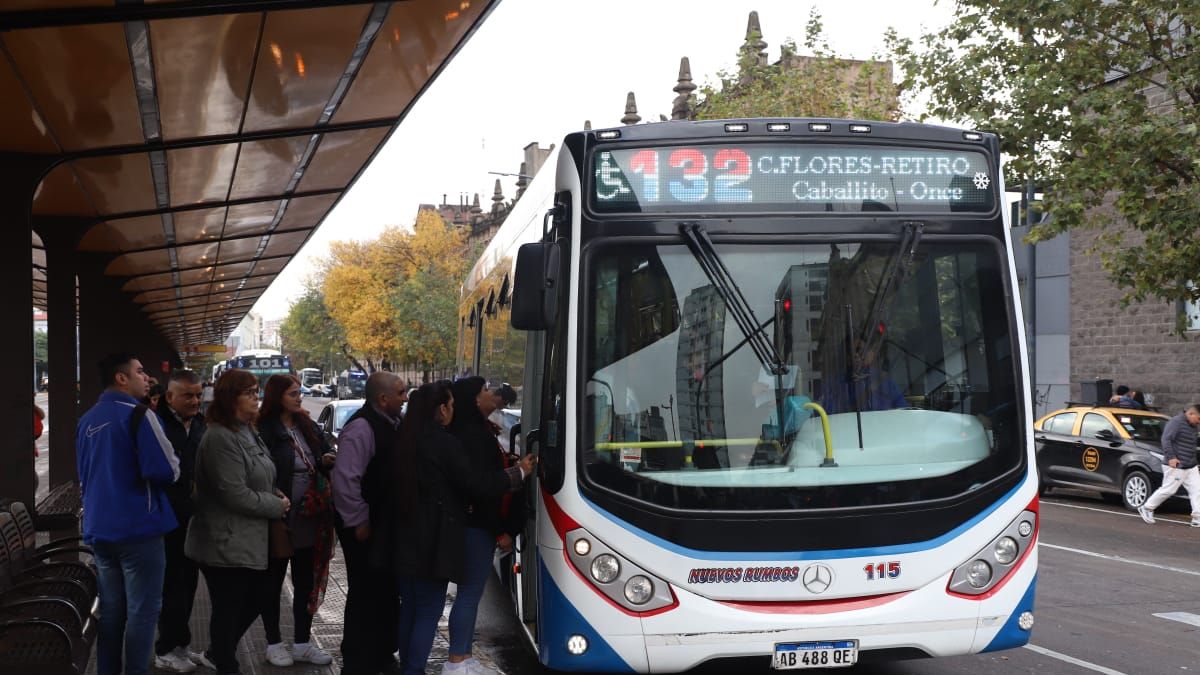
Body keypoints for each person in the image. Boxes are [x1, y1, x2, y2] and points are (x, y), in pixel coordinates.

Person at [387, 381, 535, 675]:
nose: (453, 410)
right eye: (450, 405)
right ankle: (415, 669)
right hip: (434, 537)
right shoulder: (444, 442)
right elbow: (474, 484)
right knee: (429, 610)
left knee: (411, 607)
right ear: (441, 410)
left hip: (403, 535)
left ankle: (409, 665)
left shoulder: (403, 439)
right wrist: (517, 473)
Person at [76, 353, 181, 675]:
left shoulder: (88, 419)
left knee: (112, 611)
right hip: (139, 529)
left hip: (100, 529)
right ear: (121, 378)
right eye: (139, 371)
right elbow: (167, 469)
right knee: (143, 611)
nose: (146, 377)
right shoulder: (138, 415)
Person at [185, 369, 289, 675]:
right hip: (224, 540)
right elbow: (234, 494)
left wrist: (274, 491)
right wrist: (276, 504)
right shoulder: (219, 437)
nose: (256, 398)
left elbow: (260, 474)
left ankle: (219, 653)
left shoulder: (247, 429)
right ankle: (226, 663)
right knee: (228, 609)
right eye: (250, 393)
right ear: (231, 398)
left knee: (258, 597)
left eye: (257, 391)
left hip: (247, 538)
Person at [444, 378, 528, 674]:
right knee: (469, 593)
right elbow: (482, 489)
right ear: (474, 400)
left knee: (470, 593)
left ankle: (464, 657)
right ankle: (457, 661)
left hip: (472, 523)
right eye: (485, 391)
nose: (491, 395)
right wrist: (499, 531)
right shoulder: (474, 435)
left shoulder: (472, 430)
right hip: (476, 525)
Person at [257, 374, 337, 667]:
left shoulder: (307, 425)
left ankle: (302, 642)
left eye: (299, 393)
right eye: (293, 393)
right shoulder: (264, 429)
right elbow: (260, 472)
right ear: (277, 396)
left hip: (309, 515)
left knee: (305, 579)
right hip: (280, 514)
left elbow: (321, 452)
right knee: (272, 580)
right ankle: (273, 642)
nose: (299, 397)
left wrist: (325, 459)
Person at [331, 371, 408, 675]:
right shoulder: (362, 428)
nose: (405, 398)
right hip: (364, 526)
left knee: (386, 589)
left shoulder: (394, 423)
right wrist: (358, 519)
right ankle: (357, 658)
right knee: (365, 590)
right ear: (383, 399)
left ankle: (382, 651)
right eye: (401, 393)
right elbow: (345, 480)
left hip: (385, 525)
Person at [154, 370, 207, 673]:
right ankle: (165, 648)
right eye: (188, 395)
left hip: (193, 519)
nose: (195, 400)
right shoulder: (155, 424)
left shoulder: (199, 424)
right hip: (166, 519)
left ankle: (180, 645)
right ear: (169, 396)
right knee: (172, 586)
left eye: (198, 394)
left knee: (188, 584)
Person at [1138, 404, 1200, 528]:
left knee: (1197, 490)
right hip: (1176, 464)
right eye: (1199, 418)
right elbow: (1166, 440)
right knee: (1169, 489)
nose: (1199, 422)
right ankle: (1147, 507)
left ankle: (1197, 517)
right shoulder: (1175, 422)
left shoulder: (1193, 426)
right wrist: (1171, 457)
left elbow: (1191, 443)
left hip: (1190, 464)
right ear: (1191, 414)